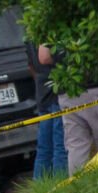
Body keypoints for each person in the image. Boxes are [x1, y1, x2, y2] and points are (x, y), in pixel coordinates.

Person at [31, 44, 68, 180]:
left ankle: (40, 186)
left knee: (44, 148)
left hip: (42, 92)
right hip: (57, 91)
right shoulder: (48, 34)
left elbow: (31, 65)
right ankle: (61, 185)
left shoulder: (30, 36)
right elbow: (44, 57)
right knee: (61, 145)